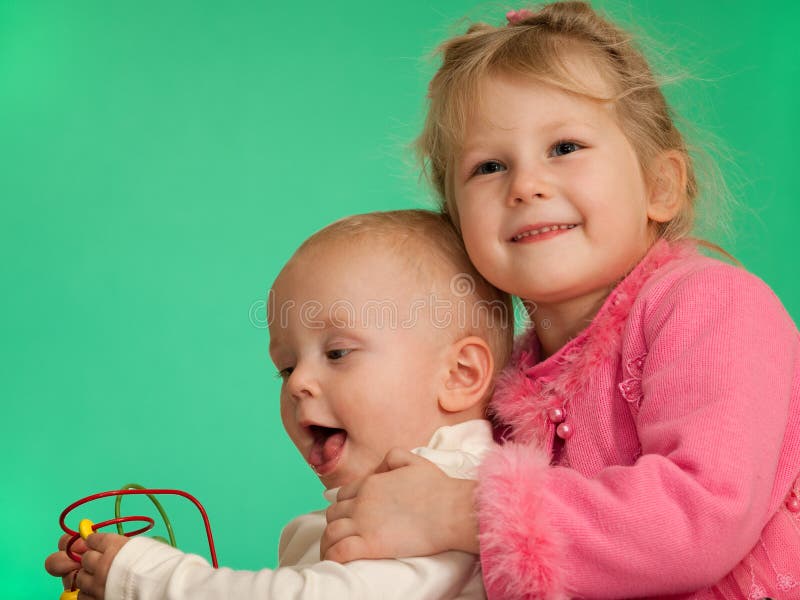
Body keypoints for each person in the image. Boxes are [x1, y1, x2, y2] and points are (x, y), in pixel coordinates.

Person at [320, 3, 800, 598]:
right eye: (489, 166)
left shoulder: (712, 304)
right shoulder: (498, 389)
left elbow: (699, 518)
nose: (526, 185)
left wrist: (461, 511)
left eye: (566, 147)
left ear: (659, 185)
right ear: (457, 225)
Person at [44, 209, 514, 599]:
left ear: (460, 374)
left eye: (337, 353)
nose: (298, 384)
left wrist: (149, 580)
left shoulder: (451, 490)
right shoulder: (375, 505)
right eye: (286, 368)